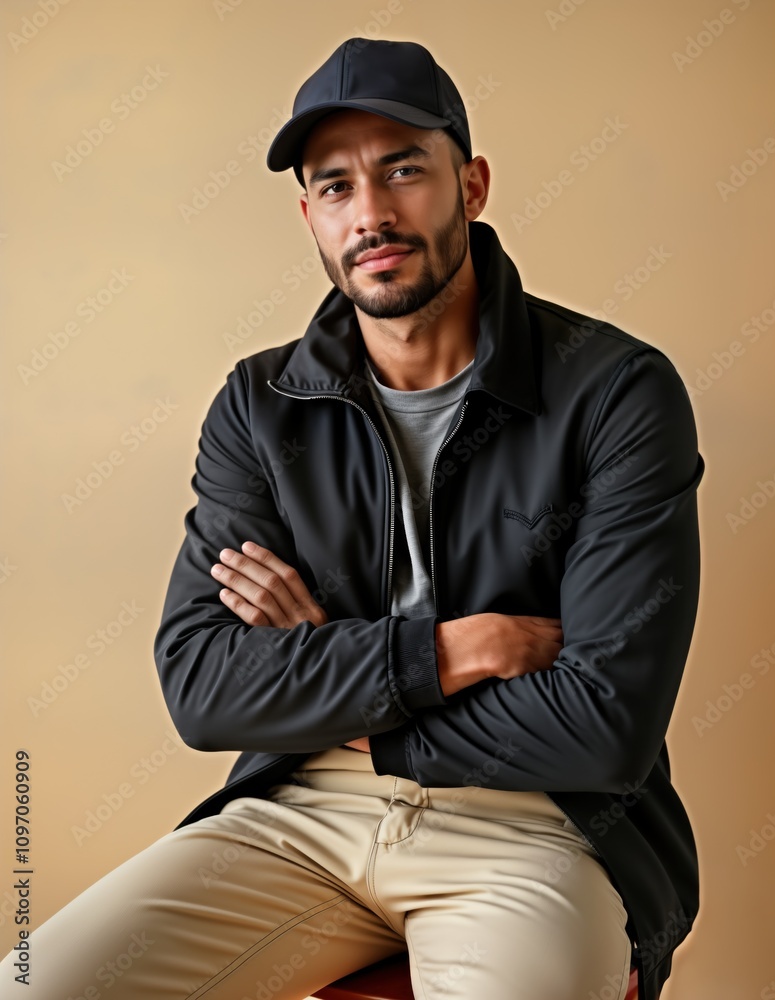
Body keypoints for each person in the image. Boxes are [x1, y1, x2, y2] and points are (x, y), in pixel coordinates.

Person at [1, 38, 704, 1000]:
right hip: (299, 815)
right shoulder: (260, 404)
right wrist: (453, 651)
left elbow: (604, 722)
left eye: (403, 169)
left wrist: (337, 675)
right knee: (35, 985)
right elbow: (205, 688)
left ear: (474, 183)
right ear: (308, 217)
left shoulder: (617, 392)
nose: (370, 213)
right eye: (334, 187)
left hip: (538, 826)